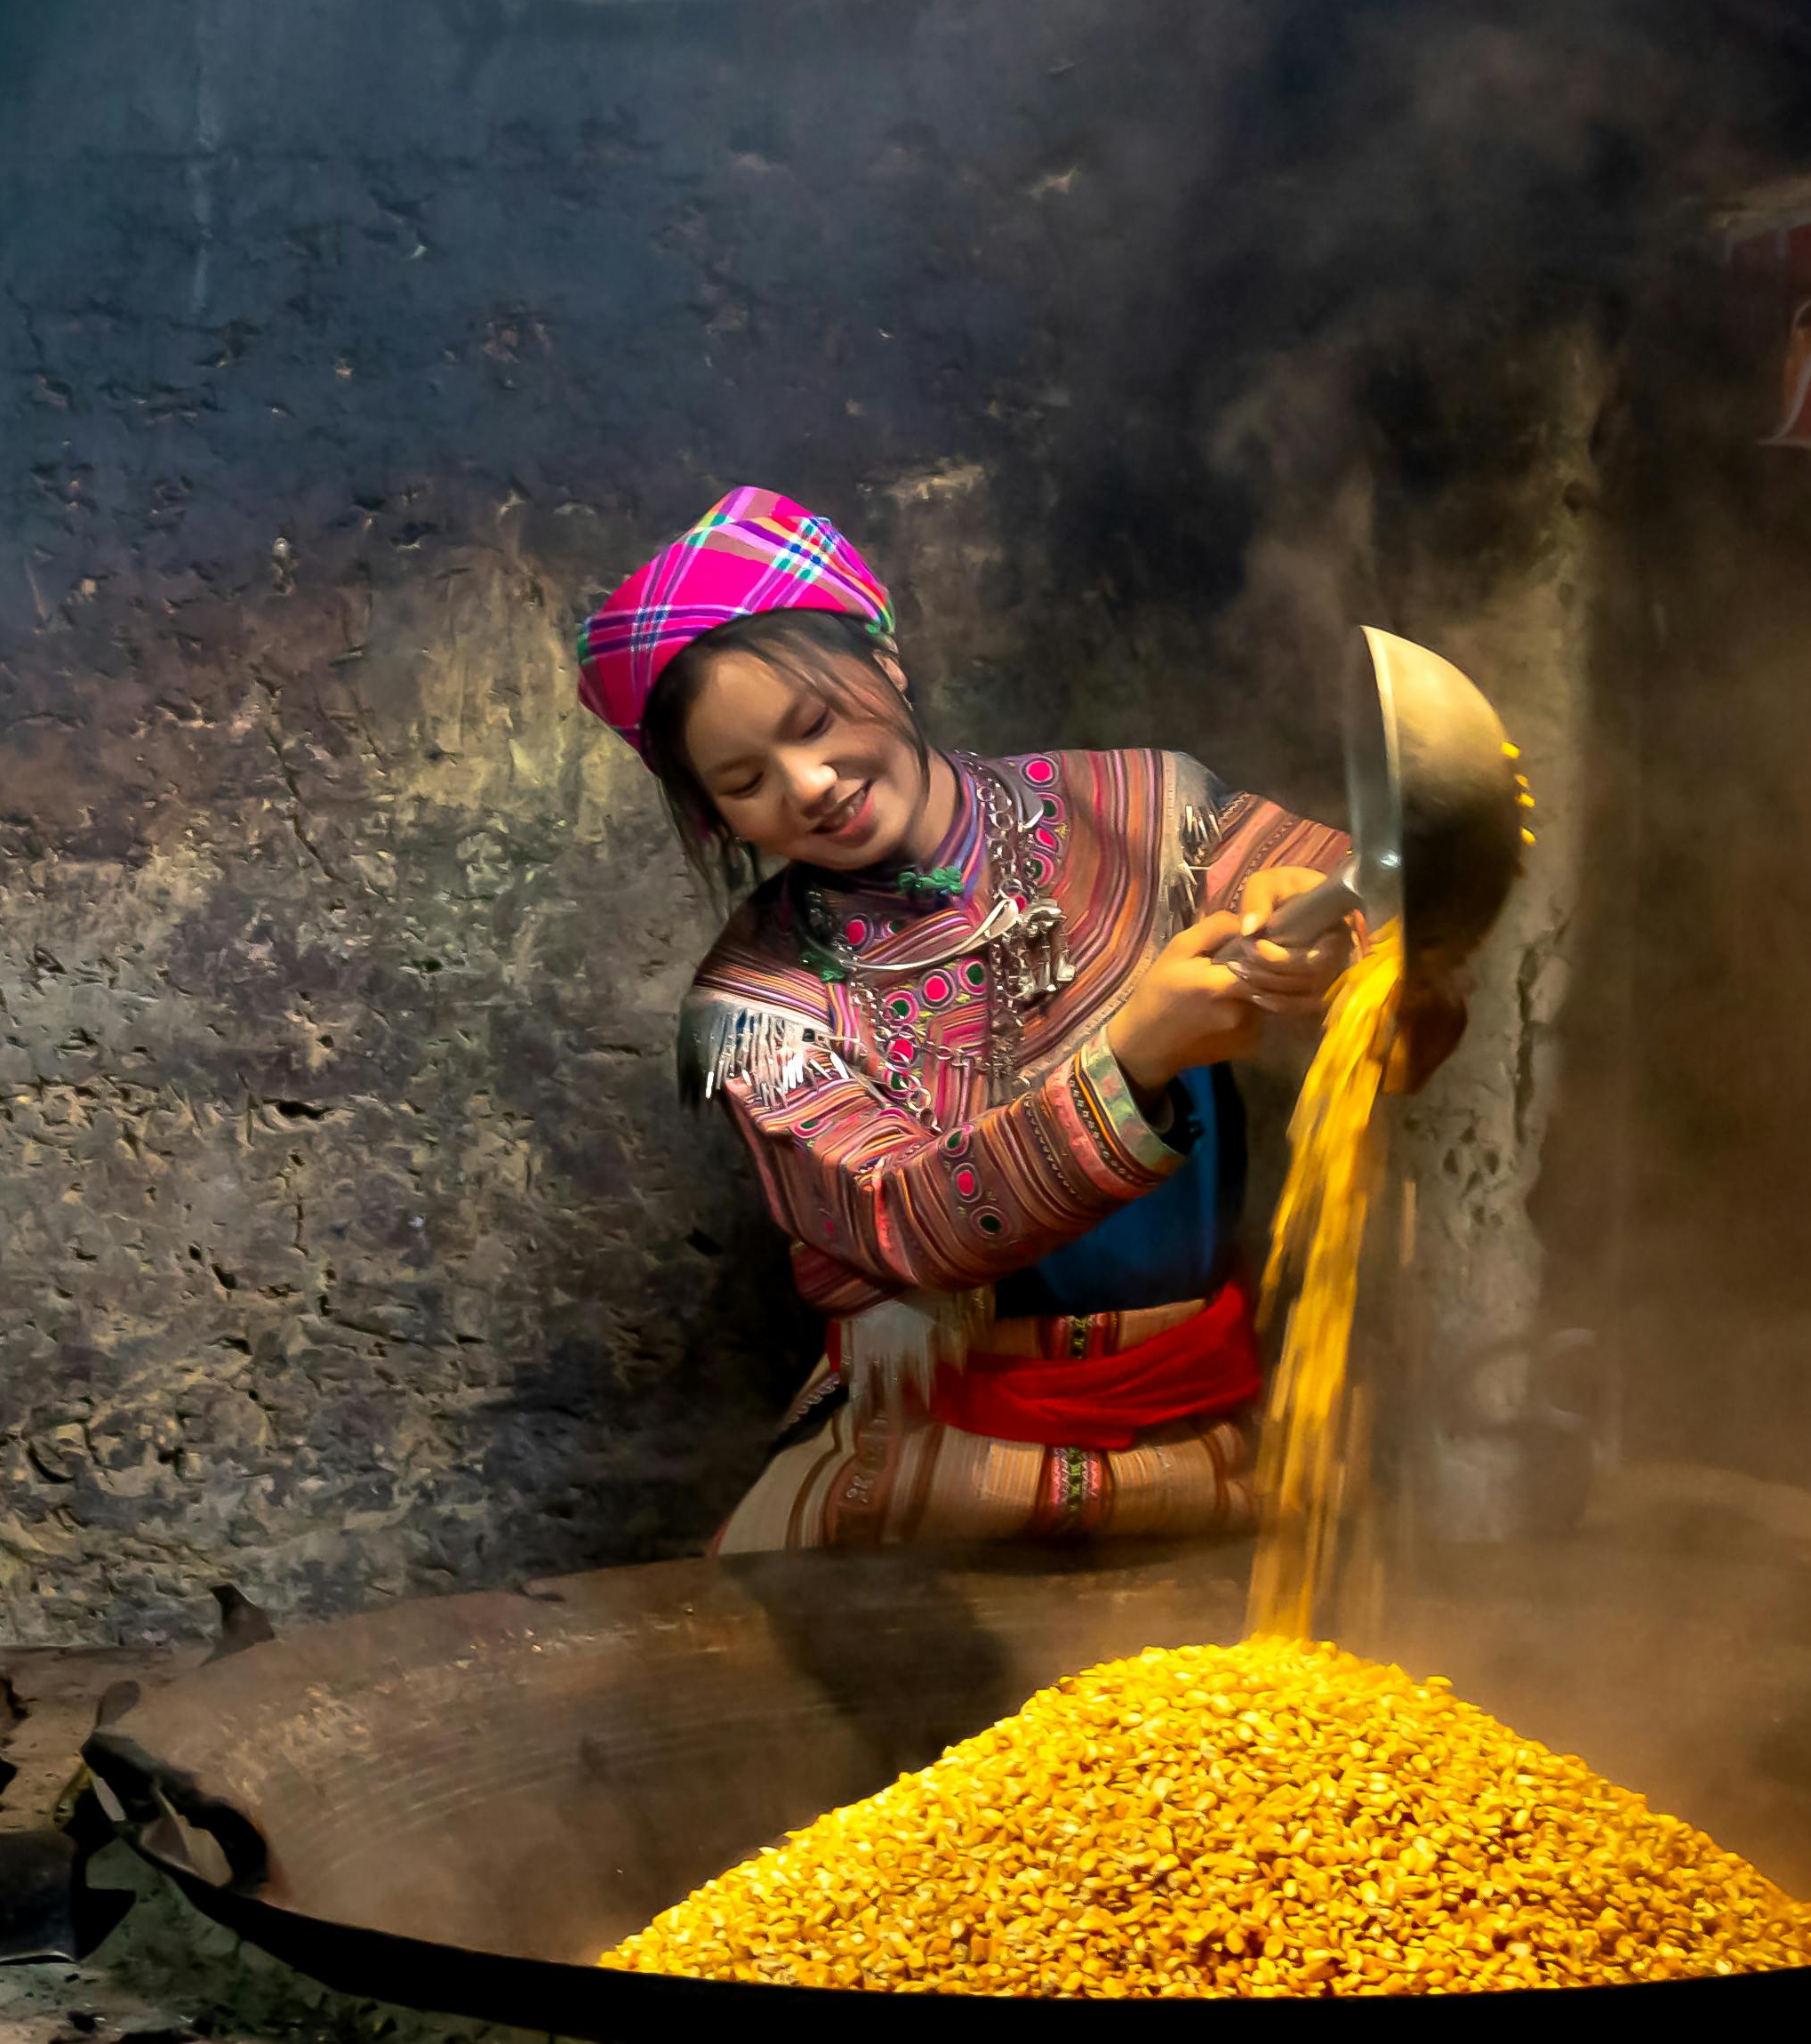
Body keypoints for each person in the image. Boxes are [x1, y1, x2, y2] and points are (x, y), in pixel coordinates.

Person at [583, 483, 1439, 1552]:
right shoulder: (757, 1010)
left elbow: (1387, 928)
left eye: (814, 723)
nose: (808, 785)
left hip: (1215, 1438)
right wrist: (1133, 1057)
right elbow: (905, 1222)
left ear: (884, 661)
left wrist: (1332, 943)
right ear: (713, 811)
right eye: (746, 781)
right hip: (931, 1475)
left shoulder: (1146, 811)